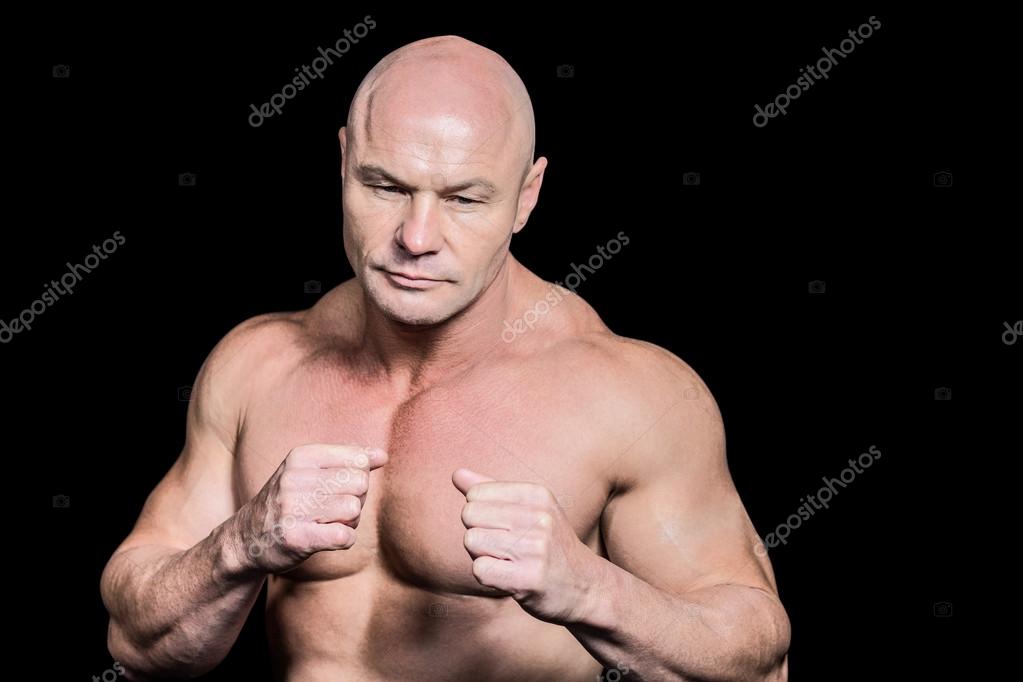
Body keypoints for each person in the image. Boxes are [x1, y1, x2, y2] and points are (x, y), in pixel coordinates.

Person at [101, 34, 790, 680]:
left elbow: (758, 661)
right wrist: (241, 544)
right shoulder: (259, 364)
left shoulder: (630, 396)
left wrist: (588, 588)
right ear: (343, 161)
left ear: (526, 196)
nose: (417, 237)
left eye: (463, 199)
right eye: (385, 187)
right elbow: (135, 643)